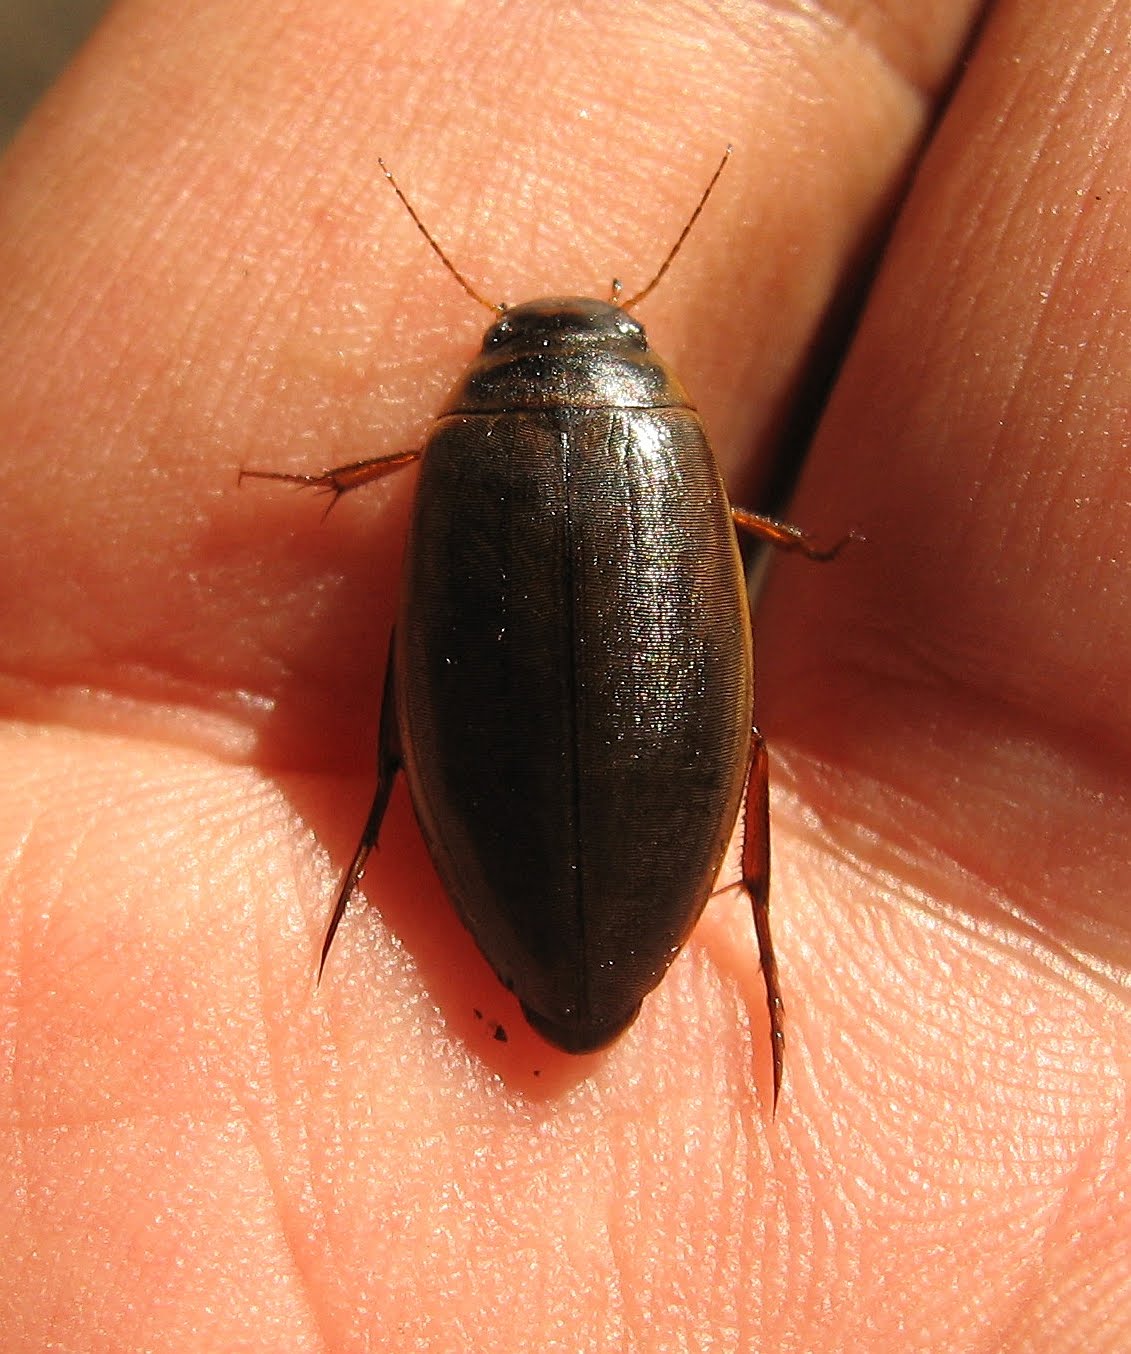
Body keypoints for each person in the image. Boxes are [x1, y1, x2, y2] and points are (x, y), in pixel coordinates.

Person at [1, 2, 1127, 1349]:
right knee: (739, 742)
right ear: (641, 374)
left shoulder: (462, 450)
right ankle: (747, 933)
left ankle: (413, 818)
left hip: (512, 812)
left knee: (614, 719)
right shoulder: (670, 454)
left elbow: (419, 640)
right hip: (637, 804)